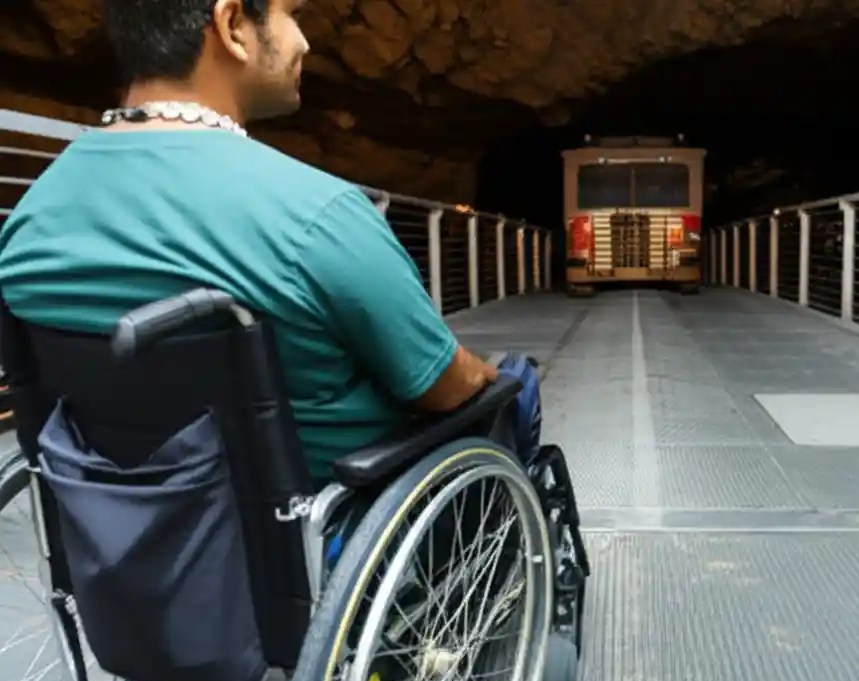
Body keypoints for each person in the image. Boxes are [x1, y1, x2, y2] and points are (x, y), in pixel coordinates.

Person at [0, 0, 540, 482]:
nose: (305, 41)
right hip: (317, 546)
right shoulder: (318, 213)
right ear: (233, 24)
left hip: (126, 548)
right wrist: (484, 374)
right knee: (515, 382)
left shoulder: (26, 224)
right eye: (294, 15)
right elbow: (446, 387)